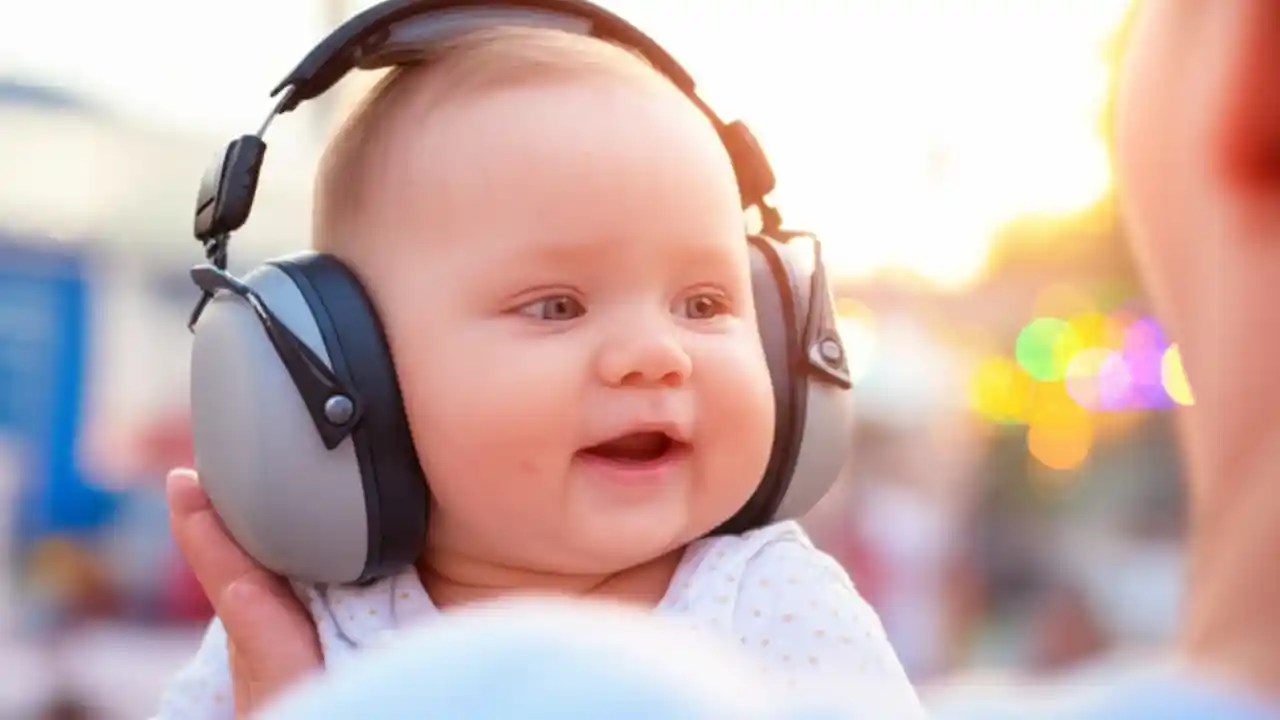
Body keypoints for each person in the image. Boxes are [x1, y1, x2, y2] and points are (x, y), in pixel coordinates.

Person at [154, 21, 922, 720]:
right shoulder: (301, 625)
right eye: (557, 307)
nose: (657, 355)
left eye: (703, 303)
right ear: (359, 372)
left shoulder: (768, 603)